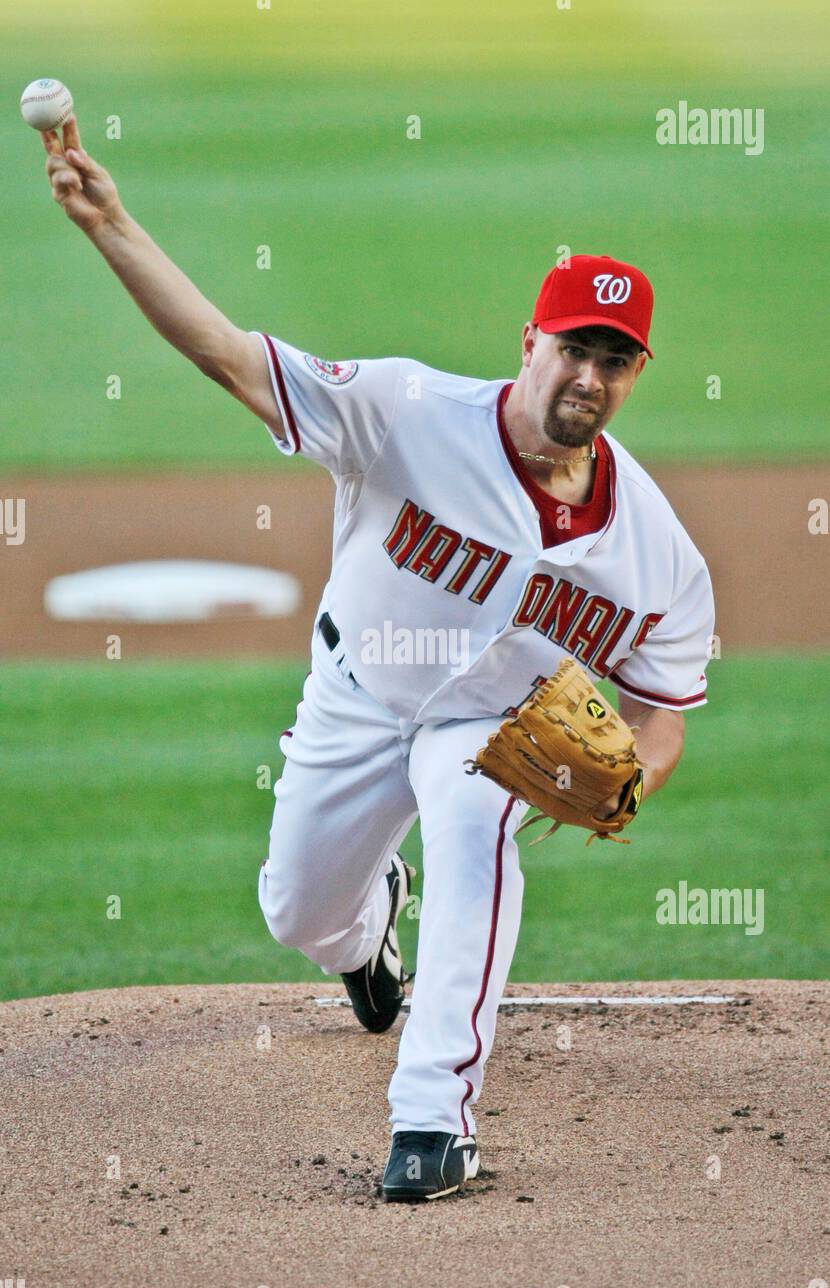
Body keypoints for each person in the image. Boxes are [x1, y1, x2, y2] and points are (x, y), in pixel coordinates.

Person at [40, 116, 714, 1203]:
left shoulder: (659, 555)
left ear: (634, 373)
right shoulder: (403, 411)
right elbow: (227, 353)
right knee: (296, 911)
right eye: (572, 347)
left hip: (482, 730)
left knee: (472, 815)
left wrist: (623, 783)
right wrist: (111, 223)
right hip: (357, 696)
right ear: (528, 344)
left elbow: (660, 715)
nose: (587, 373)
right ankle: (365, 934)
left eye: (613, 357)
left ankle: (432, 1120)